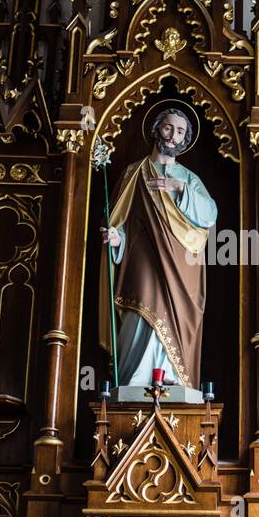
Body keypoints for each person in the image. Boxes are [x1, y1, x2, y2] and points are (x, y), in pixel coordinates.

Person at [98, 102, 216, 388]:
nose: (173, 136)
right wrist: (116, 239)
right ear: (156, 130)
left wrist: (180, 190)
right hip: (142, 261)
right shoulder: (133, 173)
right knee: (142, 310)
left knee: (174, 318)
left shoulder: (189, 179)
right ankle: (135, 380)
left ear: (185, 139)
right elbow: (120, 220)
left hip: (181, 269)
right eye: (168, 128)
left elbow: (210, 214)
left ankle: (173, 378)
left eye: (180, 132)